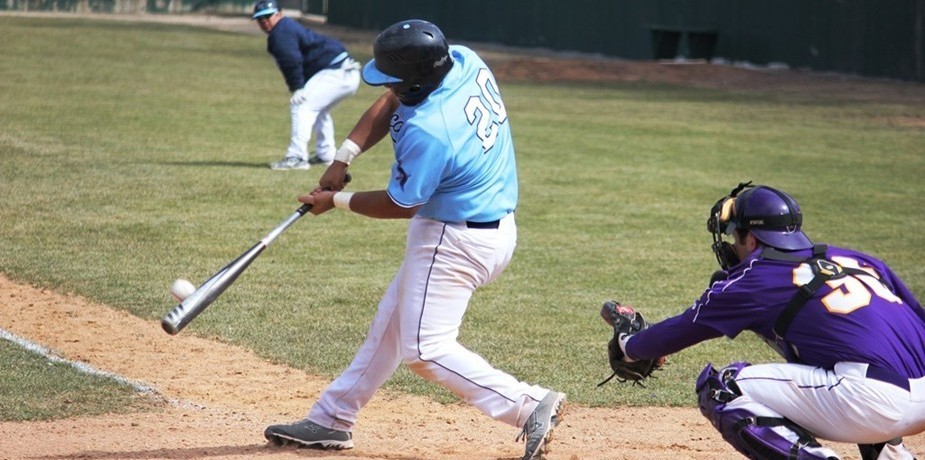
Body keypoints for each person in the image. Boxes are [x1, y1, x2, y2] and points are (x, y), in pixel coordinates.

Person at [262, 19, 566, 460]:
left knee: (425, 349)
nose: (388, 85)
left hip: (455, 241)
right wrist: (343, 156)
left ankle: (529, 404)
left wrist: (338, 200)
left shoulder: (431, 130)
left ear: (419, 78)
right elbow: (391, 98)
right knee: (391, 325)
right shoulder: (462, 59)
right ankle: (332, 418)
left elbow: (401, 203)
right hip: (490, 226)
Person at [603, 182, 925, 460]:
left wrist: (628, 345)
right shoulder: (857, 259)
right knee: (853, 358)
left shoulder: (754, 280)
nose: (731, 243)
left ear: (753, 240)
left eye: (734, 234)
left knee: (723, 387)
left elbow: (682, 329)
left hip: (874, 404)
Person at [251, 0, 360, 170]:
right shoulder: (285, 27)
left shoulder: (280, 31)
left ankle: (296, 157)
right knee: (319, 109)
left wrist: (297, 88)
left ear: (278, 14)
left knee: (302, 105)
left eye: (267, 16)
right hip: (344, 71)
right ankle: (327, 155)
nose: (264, 21)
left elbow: (291, 60)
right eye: (260, 19)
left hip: (336, 71)